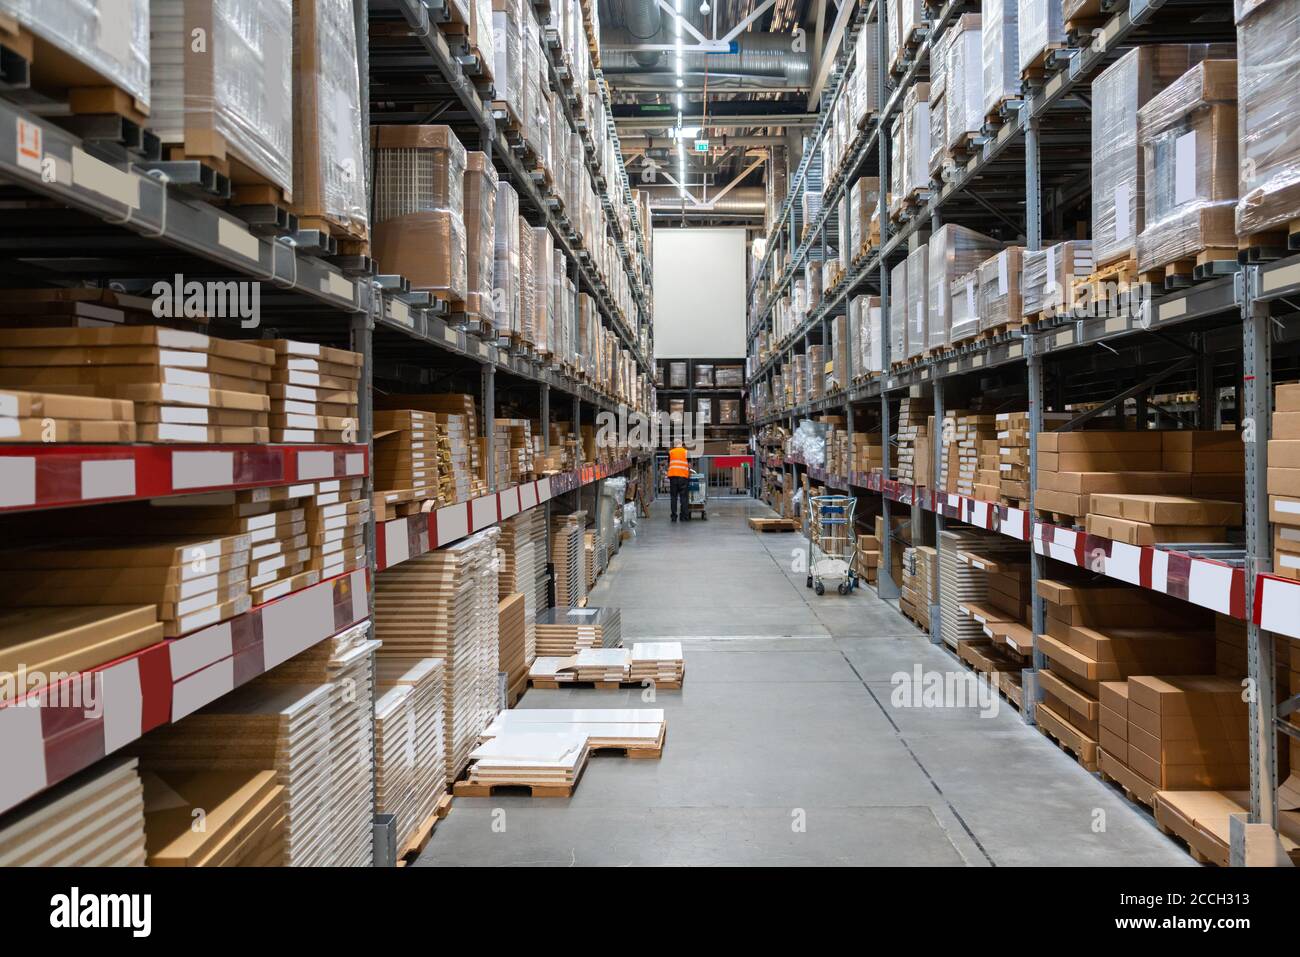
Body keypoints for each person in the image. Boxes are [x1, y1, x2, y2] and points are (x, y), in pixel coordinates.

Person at [667, 443, 691, 521]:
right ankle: (683, 516)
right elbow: (689, 465)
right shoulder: (686, 452)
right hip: (683, 477)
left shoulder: (671, 452)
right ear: (682, 445)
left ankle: (673, 517)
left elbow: (669, 463)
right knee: (683, 497)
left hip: (673, 476)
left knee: (673, 497)